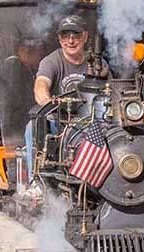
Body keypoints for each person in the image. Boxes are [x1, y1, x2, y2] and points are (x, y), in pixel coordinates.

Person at [25, 15, 110, 177]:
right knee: (32, 127)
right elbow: (41, 85)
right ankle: (35, 180)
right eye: (65, 35)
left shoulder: (99, 64)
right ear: (59, 38)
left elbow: (111, 90)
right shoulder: (51, 62)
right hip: (61, 122)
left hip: (94, 122)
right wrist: (48, 102)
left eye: (76, 35)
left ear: (85, 36)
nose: (70, 40)